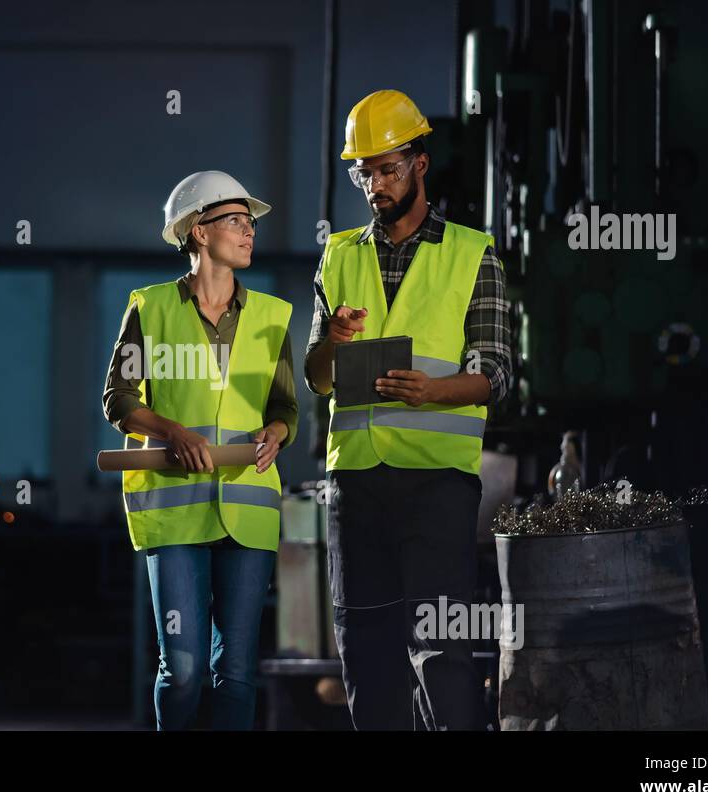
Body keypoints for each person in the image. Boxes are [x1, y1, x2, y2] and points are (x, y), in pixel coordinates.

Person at [304, 90, 513, 730]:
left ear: (420, 163)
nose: (375, 184)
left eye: (387, 167)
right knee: (366, 652)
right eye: (363, 171)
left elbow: (497, 373)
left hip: (437, 485)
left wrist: (433, 392)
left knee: (441, 652)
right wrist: (329, 344)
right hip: (356, 485)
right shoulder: (339, 254)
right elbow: (315, 378)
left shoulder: (472, 253)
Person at [102, 170, 298, 730]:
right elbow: (118, 399)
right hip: (175, 511)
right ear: (196, 231)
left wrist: (277, 434)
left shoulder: (272, 318)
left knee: (235, 672)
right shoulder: (152, 309)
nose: (248, 232)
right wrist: (172, 431)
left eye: (250, 222)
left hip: (248, 509)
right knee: (183, 669)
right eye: (235, 220)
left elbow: (285, 408)